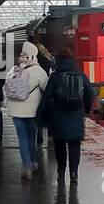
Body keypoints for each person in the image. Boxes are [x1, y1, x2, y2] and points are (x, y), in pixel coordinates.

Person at [36, 53, 96, 184]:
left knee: (60, 147)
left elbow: (45, 99)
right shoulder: (81, 76)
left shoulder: (55, 77)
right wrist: (85, 109)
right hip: (76, 117)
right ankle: (74, 174)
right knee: (75, 147)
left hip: (58, 118)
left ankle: (61, 172)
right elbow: (91, 94)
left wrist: (40, 118)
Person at [5, 40, 49, 179]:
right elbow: (46, 89)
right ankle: (31, 162)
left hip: (16, 110)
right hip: (32, 111)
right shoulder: (39, 71)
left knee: (22, 138)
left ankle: (26, 166)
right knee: (32, 138)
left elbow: (6, 87)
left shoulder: (15, 70)